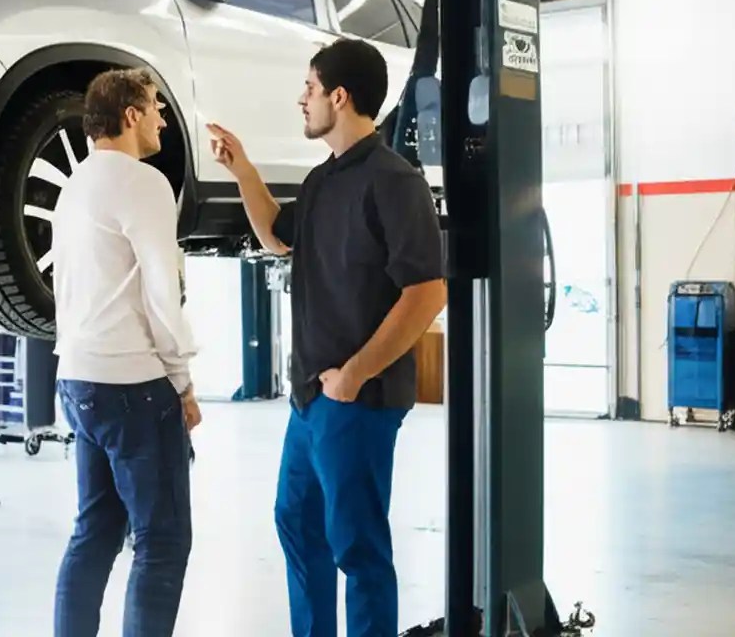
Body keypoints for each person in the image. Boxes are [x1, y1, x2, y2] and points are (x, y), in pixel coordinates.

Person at [207, 38, 448, 637]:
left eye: (309, 88)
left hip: (358, 398)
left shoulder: (396, 182)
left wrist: (355, 374)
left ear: (339, 97)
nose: (302, 99)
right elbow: (276, 237)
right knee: (296, 522)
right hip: (311, 398)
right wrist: (242, 170)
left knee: (357, 547)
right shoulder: (320, 182)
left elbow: (426, 292)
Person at [51, 67, 202, 637]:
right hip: (133, 386)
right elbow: (161, 291)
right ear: (131, 115)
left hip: (78, 380)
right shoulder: (143, 183)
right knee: (162, 542)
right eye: (156, 106)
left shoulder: (74, 186)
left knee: (94, 532)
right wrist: (182, 381)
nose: (163, 118)